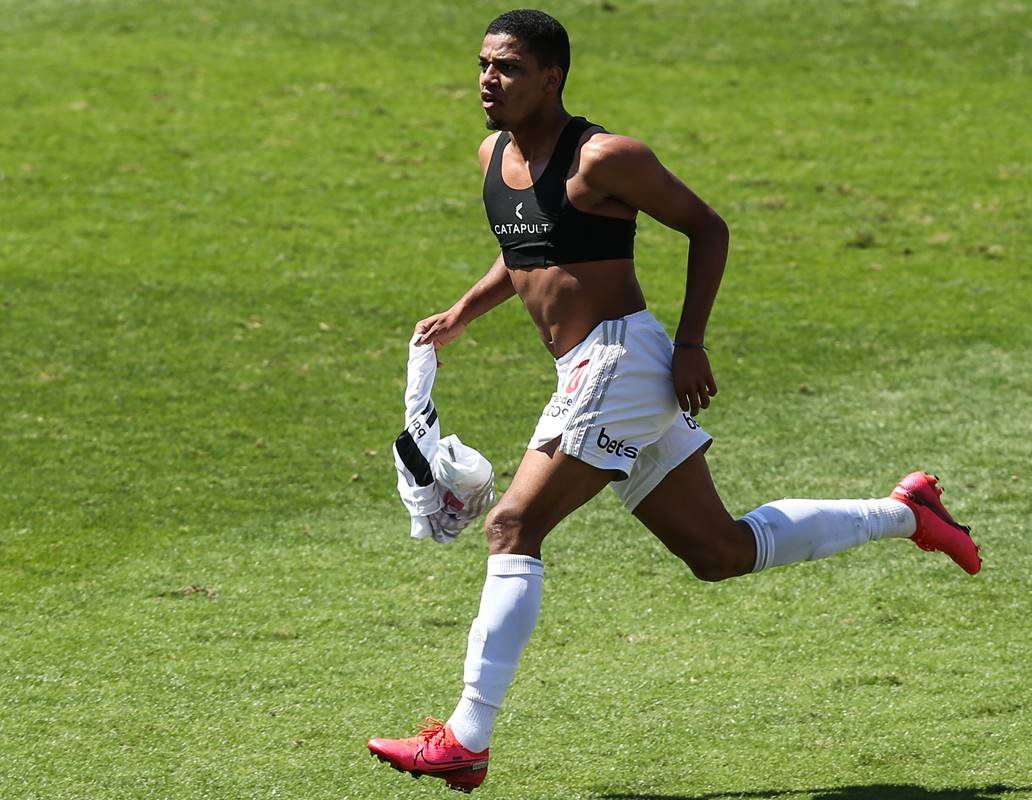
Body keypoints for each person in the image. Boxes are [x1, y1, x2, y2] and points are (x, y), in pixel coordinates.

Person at [368, 9, 980, 794]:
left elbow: (708, 228)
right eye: (484, 64)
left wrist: (691, 343)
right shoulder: (494, 154)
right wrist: (463, 310)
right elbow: (528, 246)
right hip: (591, 372)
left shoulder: (607, 157)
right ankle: (908, 512)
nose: (489, 80)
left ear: (551, 77)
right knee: (718, 552)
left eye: (508, 67)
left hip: (620, 361)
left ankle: (466, 738)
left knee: (514, 524)